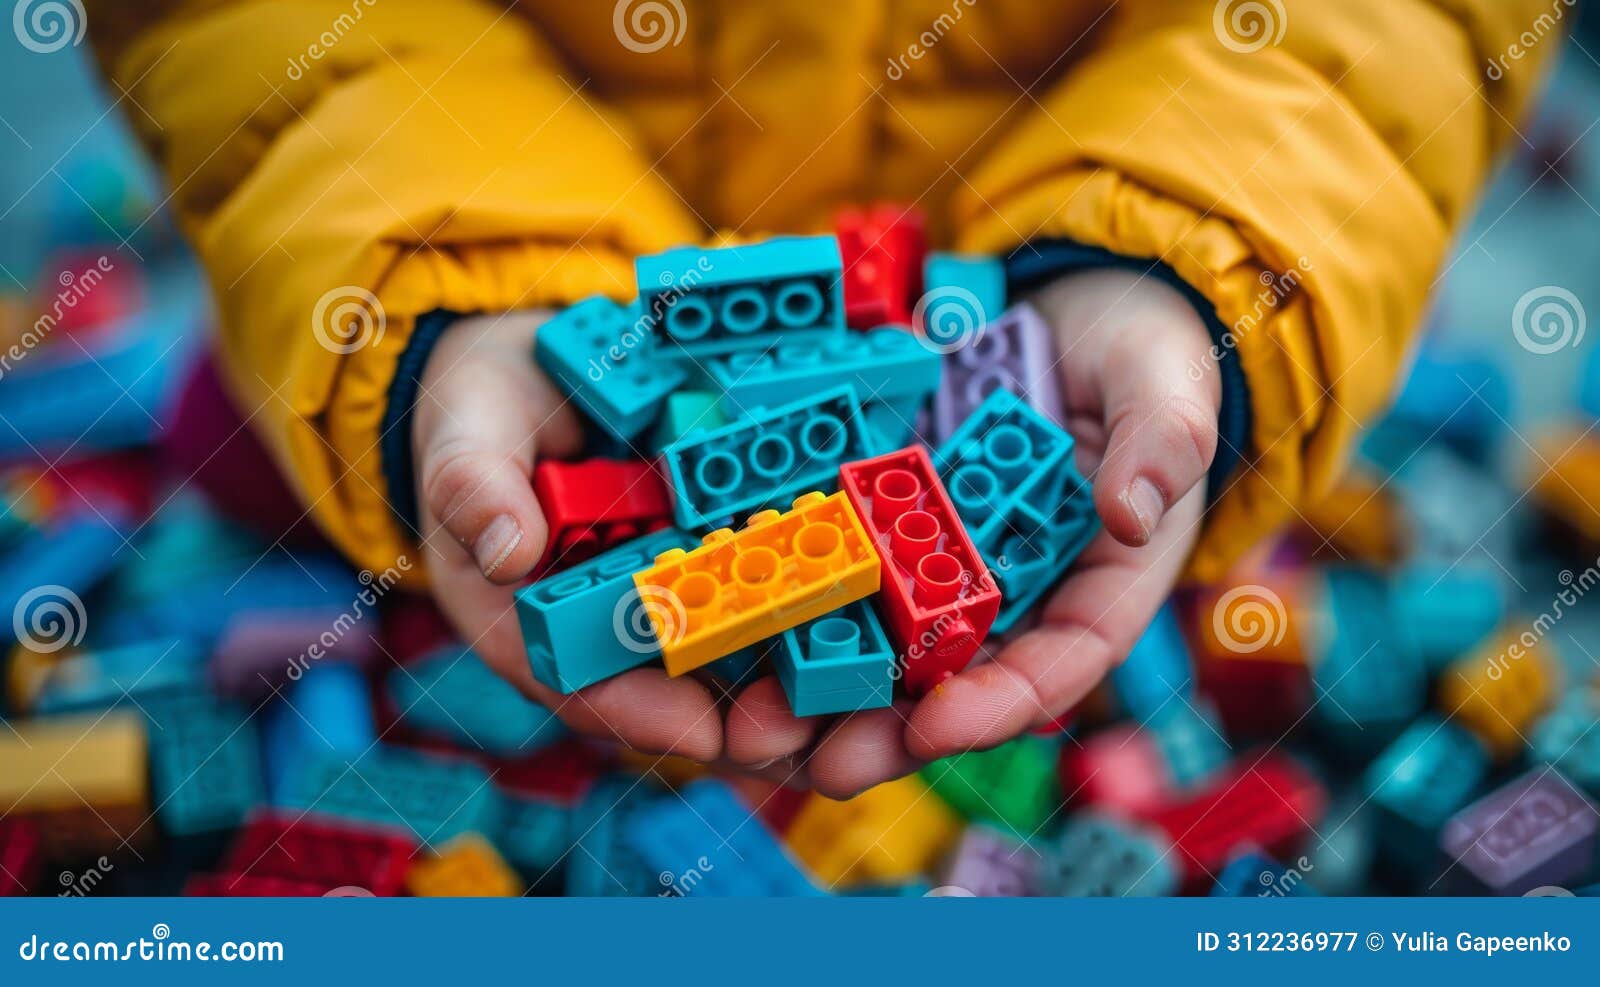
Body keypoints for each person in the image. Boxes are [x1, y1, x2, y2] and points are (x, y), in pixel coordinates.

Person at [86, 0, 1559, 798]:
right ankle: (396, 413)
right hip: (508, 248)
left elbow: (1383, 33)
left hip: (1059, 235)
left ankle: (1194, 435)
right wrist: (434, 315)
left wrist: (1189, 279)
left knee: (1147, 489)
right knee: (329, 435)